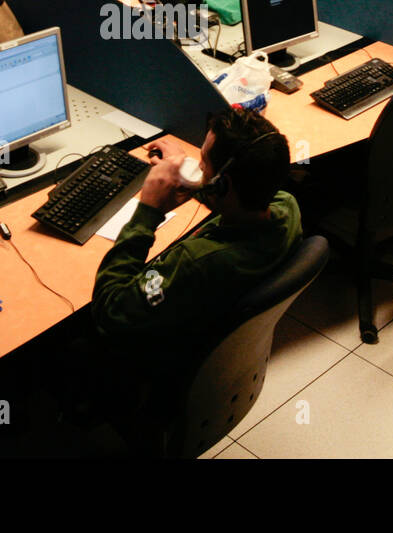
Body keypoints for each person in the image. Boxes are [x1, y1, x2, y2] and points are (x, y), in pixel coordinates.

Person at [91, 107, 302, 353]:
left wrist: (148, 211)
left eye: (202, 162)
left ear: (224, 184)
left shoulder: (194, 263)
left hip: (154, 351)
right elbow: (235, 196)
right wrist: (185, 171)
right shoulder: (286, 206)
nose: (199, 165)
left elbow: (109, 310)